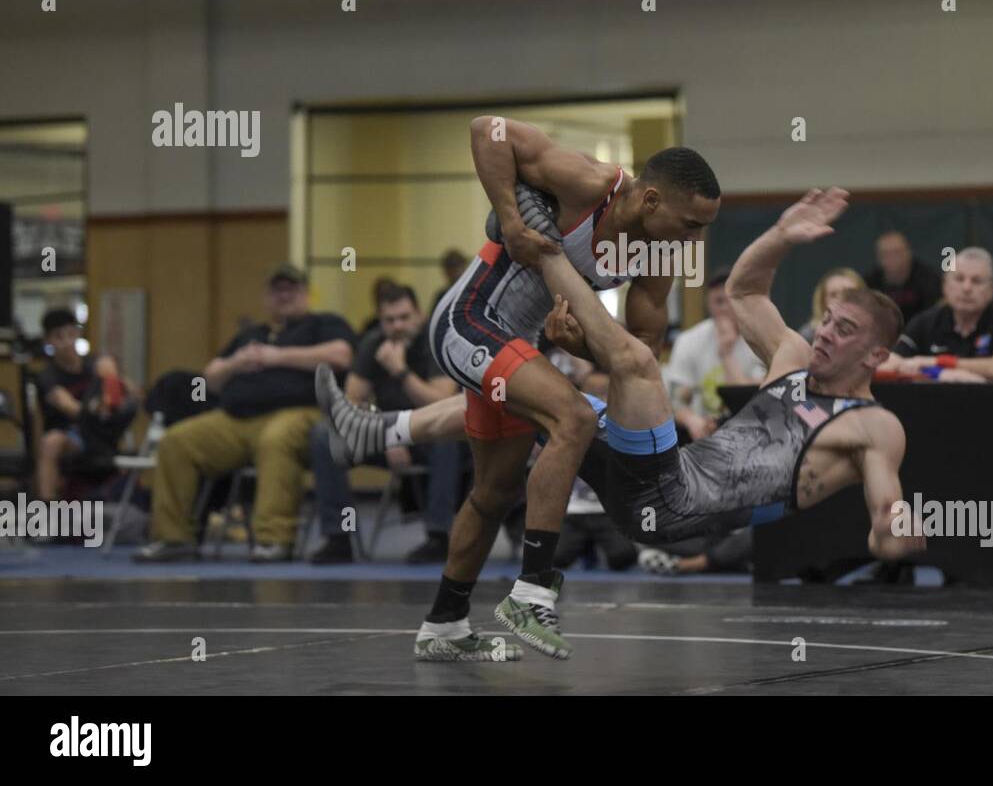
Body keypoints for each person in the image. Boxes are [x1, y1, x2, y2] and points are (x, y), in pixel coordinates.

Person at [317, 188, 925, 660]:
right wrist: (782, 235)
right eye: (827, 320)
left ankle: (543, 245)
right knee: (540, 403)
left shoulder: (873, 425)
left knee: (635, 363)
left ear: (876, 356)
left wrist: (898, 534)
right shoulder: (792, 360)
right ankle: (382, 432)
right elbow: (745, 289)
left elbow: (887, 518)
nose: (824, 334)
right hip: (661, 472)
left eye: (845, 331)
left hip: (681, 503)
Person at [418, 117, 720, 659]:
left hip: (518, 347)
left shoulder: (659, 256)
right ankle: (532, 590)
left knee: (494, 493)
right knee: (575, 418)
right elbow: (488, 130)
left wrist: (577, 345)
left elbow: (638, 354)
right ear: (650, 199)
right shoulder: (589, 184)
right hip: (468, 320)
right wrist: (511, 219)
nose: (695, 240)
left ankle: (444, 623)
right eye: (690, 224)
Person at [135, 264, 354, 563]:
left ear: (305, 293)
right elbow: (210, 379)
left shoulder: (324, 324)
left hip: (300, 412)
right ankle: (173, 538)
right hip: (235, 419)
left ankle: (274, 539)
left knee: (276, 440)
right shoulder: (252, 334)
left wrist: (278, 356)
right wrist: (236, 362)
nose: (284, 295)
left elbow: (341, 355)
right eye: (277, 290)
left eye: (291, 289)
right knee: (177, 441)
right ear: (266, 297)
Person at [307, 284, 462, 565]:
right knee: (324, 433)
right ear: (381, 321)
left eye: (404, 317)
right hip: (389, 435)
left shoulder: (436, 341)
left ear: (419, 314)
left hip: (431, 434)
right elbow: (351, 406)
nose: (398, 326)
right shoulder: (372, 344)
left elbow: (442, 405)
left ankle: (439, 536)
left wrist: (399, 371)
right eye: (390, 320)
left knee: (447, 437)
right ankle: (338, 537)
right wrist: (388, 436)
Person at [34, 308, 135, 502]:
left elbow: (133, 395)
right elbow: (69, 406)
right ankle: (47, 510)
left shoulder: (97, 364)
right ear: (48, 341)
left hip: (104, 434)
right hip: (73, 435)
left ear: (78, 334)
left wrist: (116, 377)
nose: (67, 343)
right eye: (59, 337)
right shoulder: (48, 376)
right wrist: (95, 408)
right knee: (51, 442)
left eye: (71, 334)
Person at [881, 247, 993, 382]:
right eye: (959, 278)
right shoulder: (925, 322)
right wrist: (939, 373)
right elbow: (887, 364)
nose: (967, 288)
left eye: (977, 281)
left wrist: (937, 362)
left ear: (992, 290)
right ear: (945, 286)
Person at [663, 265, 766, 441]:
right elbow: (676, 398)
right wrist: (693, 421)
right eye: (719, 301)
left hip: (748, 431)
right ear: (708, 304)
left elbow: (754, 400)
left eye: (731, 301)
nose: (726, 308)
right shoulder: (689, 341)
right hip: (701, 432)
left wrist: (726, 354)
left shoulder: (759, 340)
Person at [865, 231, 942, 326]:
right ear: (879, 258)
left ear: (908, 253)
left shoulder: (928, 279)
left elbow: (934, 315)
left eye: (897, 252)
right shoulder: (870, 282)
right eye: (886, 254)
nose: (892, 258)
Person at [798, 267, 866, 342]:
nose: (841, 300)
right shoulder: (809, 335)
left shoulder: (871, 334)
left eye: (849, 294)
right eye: (833, 295)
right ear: (822, 301)